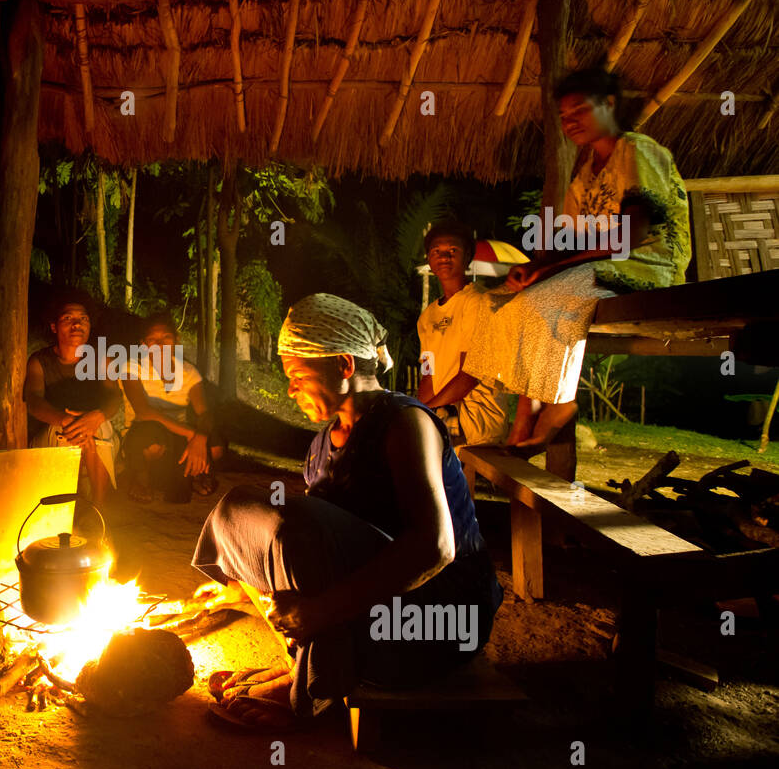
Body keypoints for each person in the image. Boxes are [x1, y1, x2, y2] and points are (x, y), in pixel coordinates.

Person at [193, 294, 502, 728]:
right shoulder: (323, 443)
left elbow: (435, 547)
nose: (291, 389)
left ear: (343, 364)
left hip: (431, 625)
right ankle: (306, 664)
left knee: (295, 520)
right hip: (370, 615)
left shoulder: (403, 422)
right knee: (234, 509)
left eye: (298, 375)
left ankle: (313, 686)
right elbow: (318, 554)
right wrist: (241, 589)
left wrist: (317, 613)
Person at [463, 67, 691, 456]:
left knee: (548, 298)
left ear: (609, 105)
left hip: (648, 266)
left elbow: (629, 236)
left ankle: (561, 402)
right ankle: (525, 414)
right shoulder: (585, 173)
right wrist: (535, 266)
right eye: (564, 117)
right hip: (601, 267)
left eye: (579, 111)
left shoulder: (638, 150)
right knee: (498, 304)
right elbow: (567, 240)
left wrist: (549, 269)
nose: (570, 123)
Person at [416, 221, 511, 447]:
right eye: (436, 251)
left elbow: (469, 375)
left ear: (467, 257)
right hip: (444, 409)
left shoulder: (477, 302)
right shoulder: (427, 317)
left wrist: (426, 412)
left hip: (476, 414)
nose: (444, 257)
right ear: (429, 259)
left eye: (453, 251)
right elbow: (428, 372)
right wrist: (418, 410)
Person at [24, 292, 122, 507]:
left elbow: (115, 396)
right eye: (68, 318)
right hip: (52, 435)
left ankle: (98, 508)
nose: (77, 324)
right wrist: (65, 420)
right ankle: (82, 506)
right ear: (54, 327)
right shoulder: (40, 361)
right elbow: (33, 401)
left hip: (93, 433)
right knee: (75, 432)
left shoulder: (101, 359)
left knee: (99, 426)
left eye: (83, 319)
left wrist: (97, 416)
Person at [120, 313, 225, 504]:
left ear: (176, 340)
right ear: (144, 344)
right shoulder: (131, 368)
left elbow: (205, 413)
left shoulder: (188, 372)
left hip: (178, 437)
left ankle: (193, 475)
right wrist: (191, 434)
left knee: (216, 445)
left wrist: (200, 436)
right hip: (143, 434)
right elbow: (144, 412)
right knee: (149, 437)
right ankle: (141, 479)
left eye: (166, 338)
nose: (160, 345)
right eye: (153, 339)